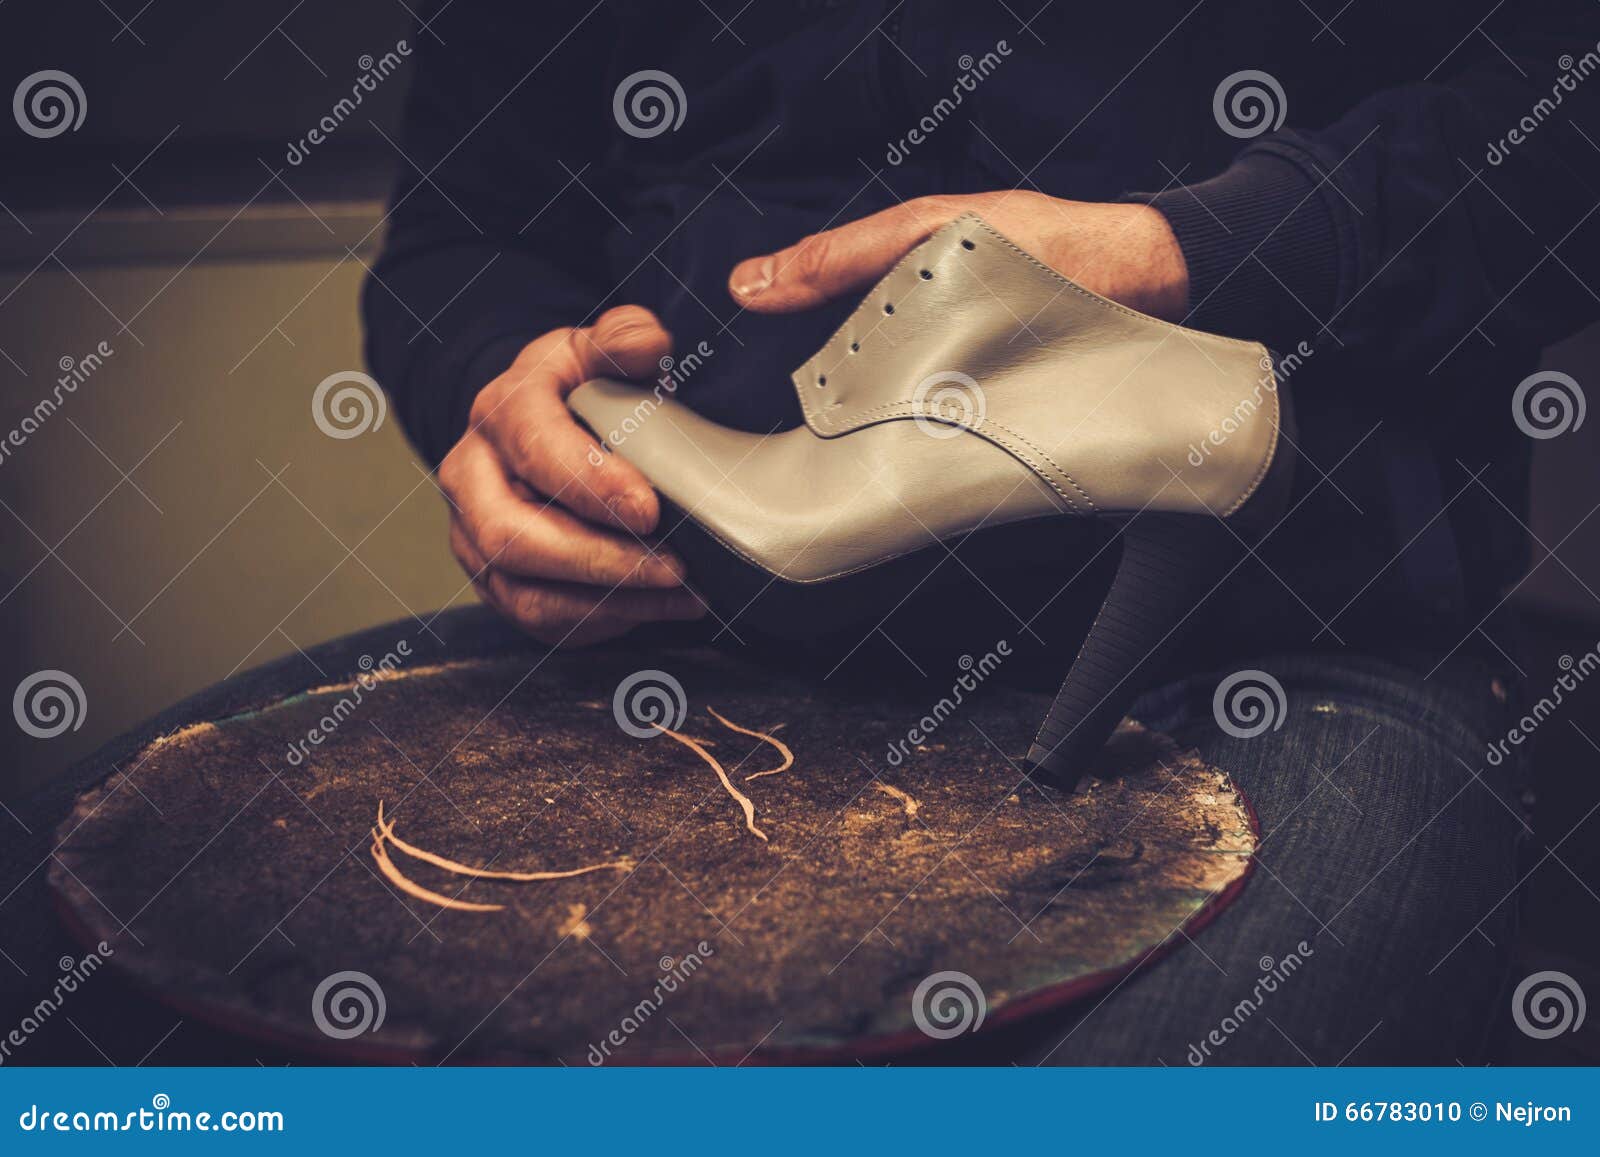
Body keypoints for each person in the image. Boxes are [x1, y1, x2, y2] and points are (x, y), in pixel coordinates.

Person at [363, 1, 1600, 1062]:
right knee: (193, 957)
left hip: (1287, 644)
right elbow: (457, 235)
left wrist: (1197, 247)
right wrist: (499, 379)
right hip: (685, 630)